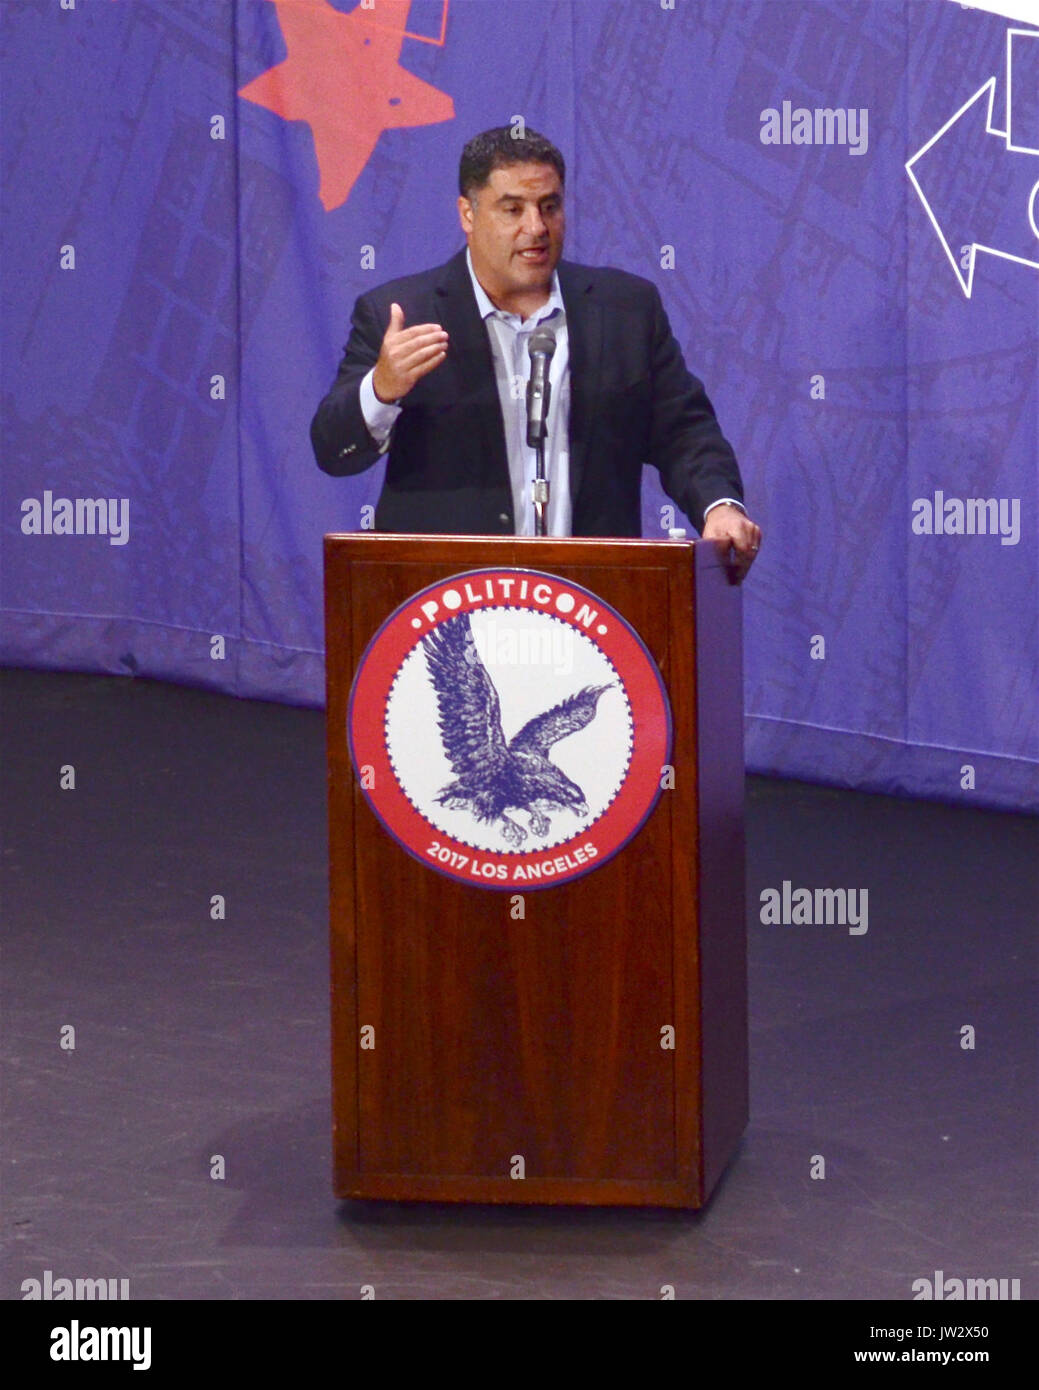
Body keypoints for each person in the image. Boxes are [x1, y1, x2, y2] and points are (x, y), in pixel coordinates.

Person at [310, 127, 762, 579]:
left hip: (591, 605)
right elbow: (334, 451)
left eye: (550, 206)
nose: (537, 228)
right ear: (467, 214)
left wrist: (718, 506)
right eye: (513, 209)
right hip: (448, 606)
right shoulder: (403, 314)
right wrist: (382, 389)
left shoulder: (626, 310)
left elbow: (684, 432)